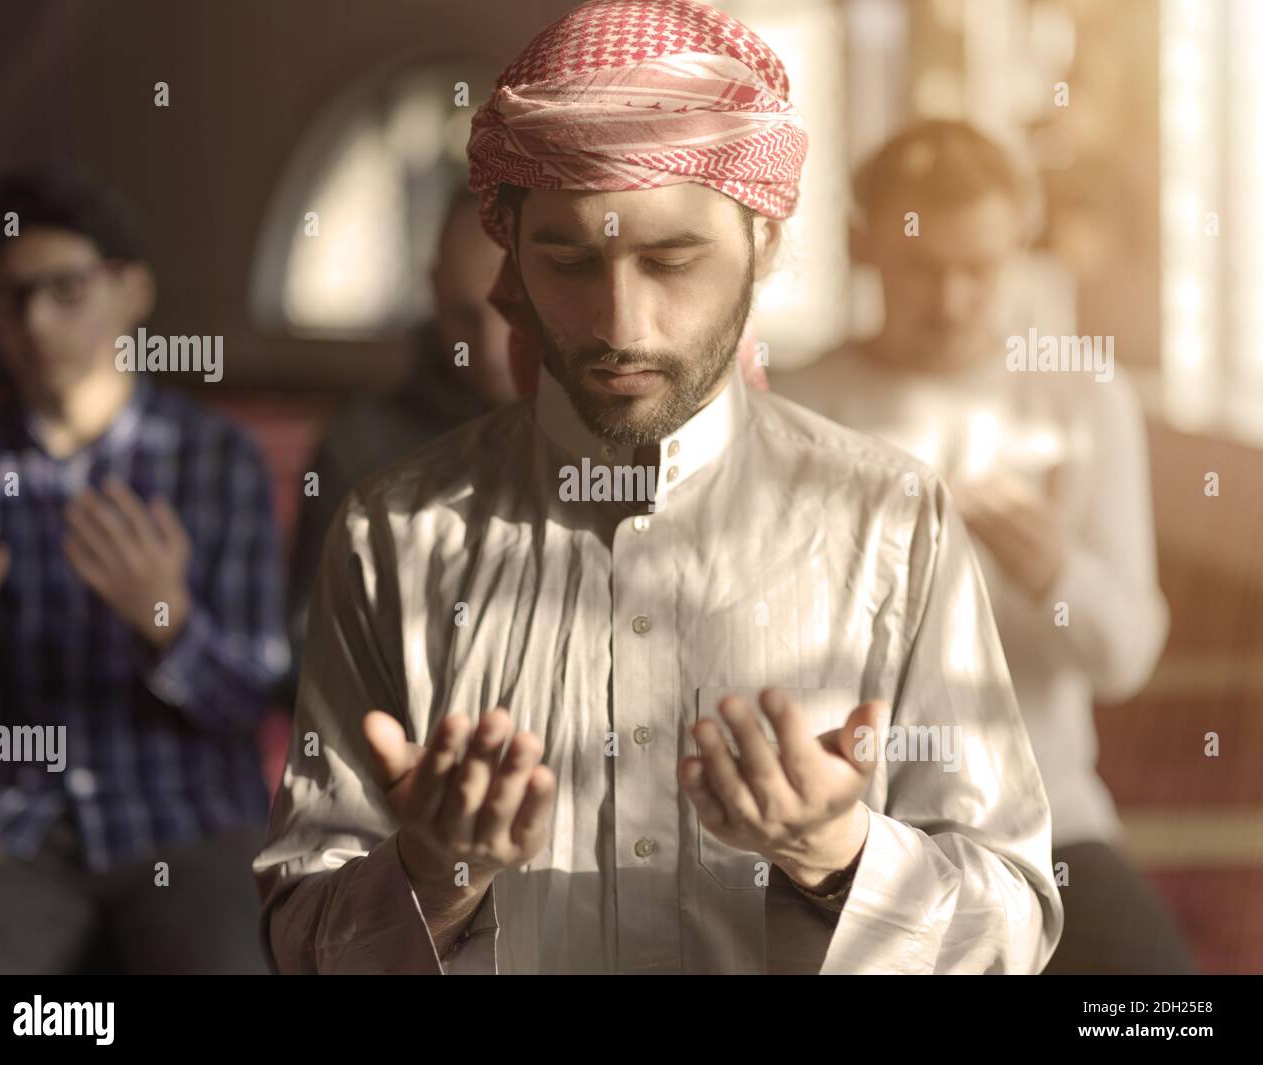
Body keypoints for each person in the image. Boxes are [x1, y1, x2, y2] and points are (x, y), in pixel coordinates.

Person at [254, 0, 1063, 975]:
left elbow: (1011, 919)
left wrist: (841, 858)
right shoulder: (397, 533)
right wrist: (430, 875)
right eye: (568, 261)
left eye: (672, 259)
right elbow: (299, 941)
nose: (619, 324)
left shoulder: (886, 519)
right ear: (508, 246)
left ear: (764, 240)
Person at [769, 120, 1196, 974]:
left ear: (1020, 253)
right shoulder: (795, 405)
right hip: (850, 827)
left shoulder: (1078, 396)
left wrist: (1052, 572)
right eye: (923, 267)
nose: (953, 299)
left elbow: (1126, 660)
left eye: (980, 269)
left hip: (1050, 819)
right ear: (864, 246)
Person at [0, 165, 289, 974]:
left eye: (64, 288)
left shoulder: (214, 459)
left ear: (131, 292)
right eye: (12, 296)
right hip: (25, 825)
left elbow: (257, 695)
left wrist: (169, 624)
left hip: (190, 815)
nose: (36, 319)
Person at [284, 186, 512, 681]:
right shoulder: (362, 441)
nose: (490, 349)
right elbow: (306, 642)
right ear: (433, 291)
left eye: (512, 310)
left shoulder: (613, 429)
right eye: (466, 316)